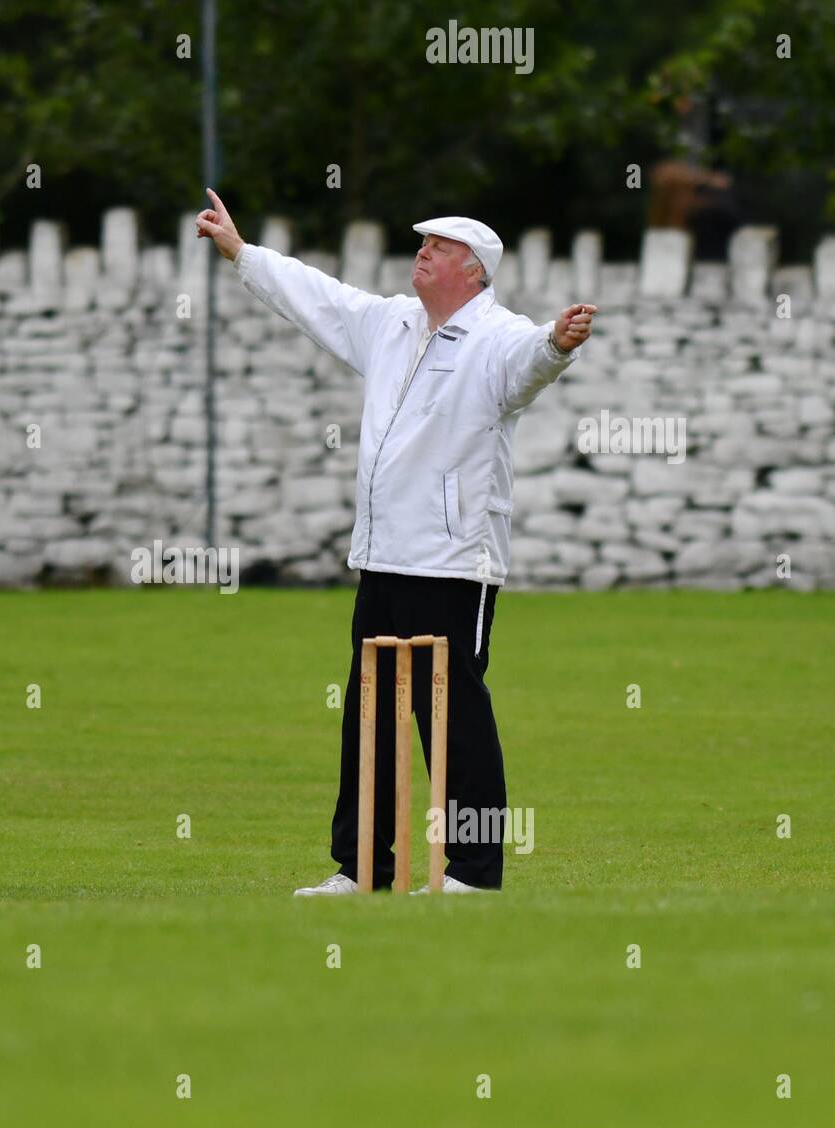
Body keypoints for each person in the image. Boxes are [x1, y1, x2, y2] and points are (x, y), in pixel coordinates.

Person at [195, 188, 595, 896]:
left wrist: (556, 345)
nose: (423, 253)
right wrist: (240, 252)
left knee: (457, 717)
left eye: (438, 249)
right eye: (423, 244)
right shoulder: (391, 324)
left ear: (473, 271)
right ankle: (362, 869)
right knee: (368, 717)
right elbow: (317, 298)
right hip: (381, 557)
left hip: (454, 563)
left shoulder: (498, 337)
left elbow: (531, 362)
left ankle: (472, 871)